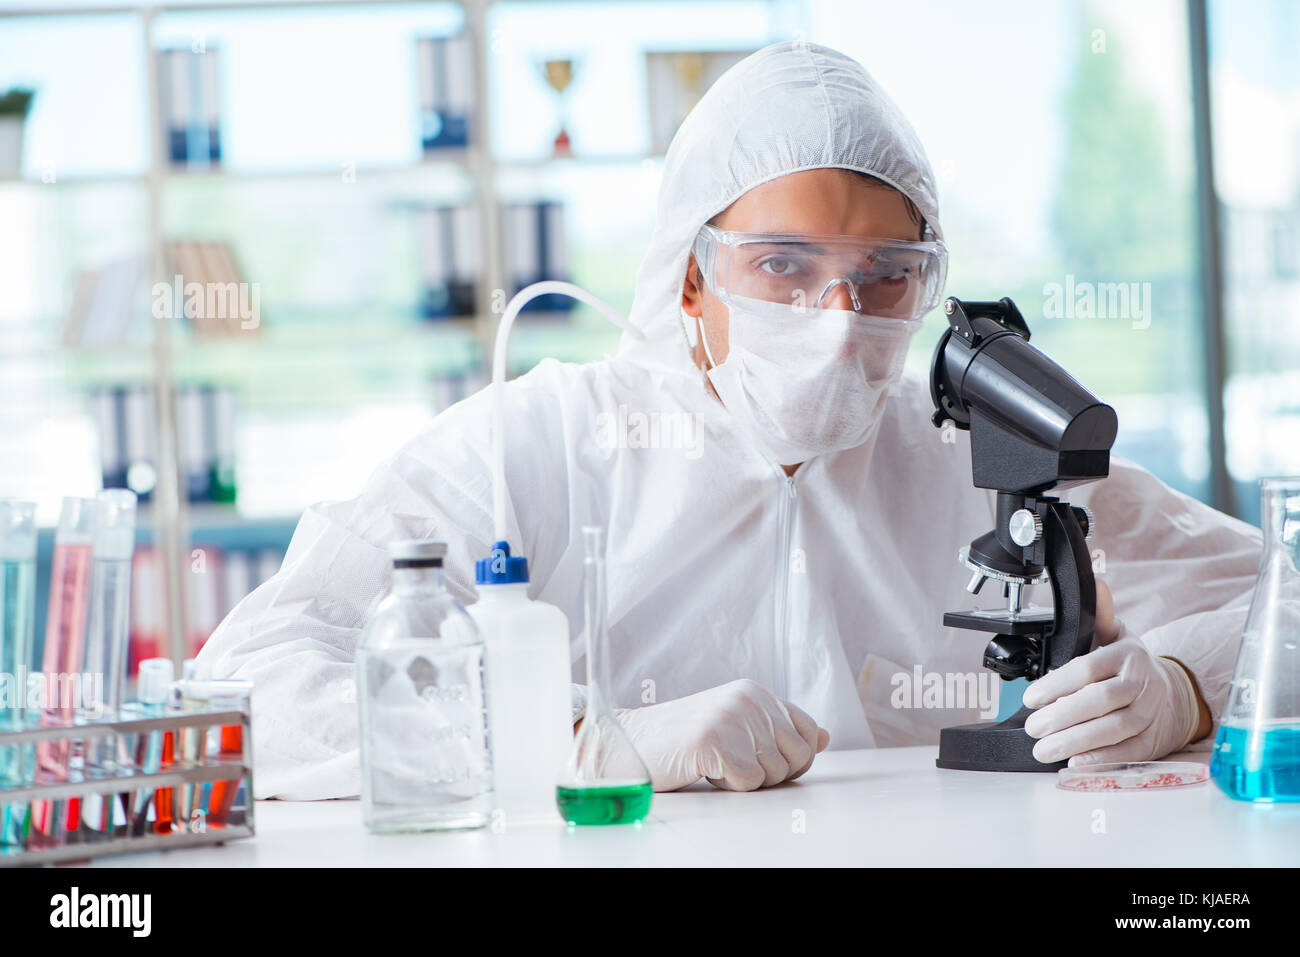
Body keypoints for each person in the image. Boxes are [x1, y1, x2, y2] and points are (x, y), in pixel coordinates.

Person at [198, 40, 1261, 800]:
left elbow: (1283, 599)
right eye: (783, 266)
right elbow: (252, 685)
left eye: (885, 276)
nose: (836, 319)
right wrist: (578, 738)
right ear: (691, 282)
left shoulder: (976, 453)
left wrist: (1185, 685)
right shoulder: (539, 446)